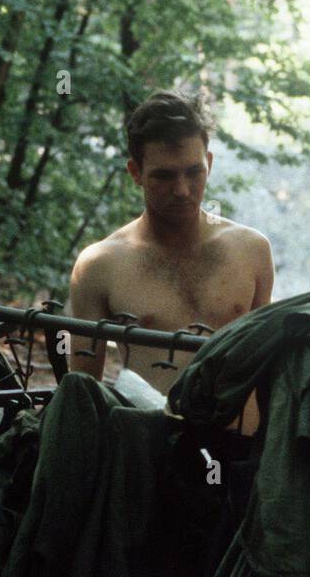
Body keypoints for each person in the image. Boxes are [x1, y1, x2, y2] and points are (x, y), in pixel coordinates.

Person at [68, 90, 273, 426]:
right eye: (164, 176)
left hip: (241, 455)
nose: (182, 189)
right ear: (135, 173)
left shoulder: (251, 250)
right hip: (154, 453)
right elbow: (82, 394)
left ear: (209, 163)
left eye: (194, 172)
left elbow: (269, 368)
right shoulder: (101, 265)